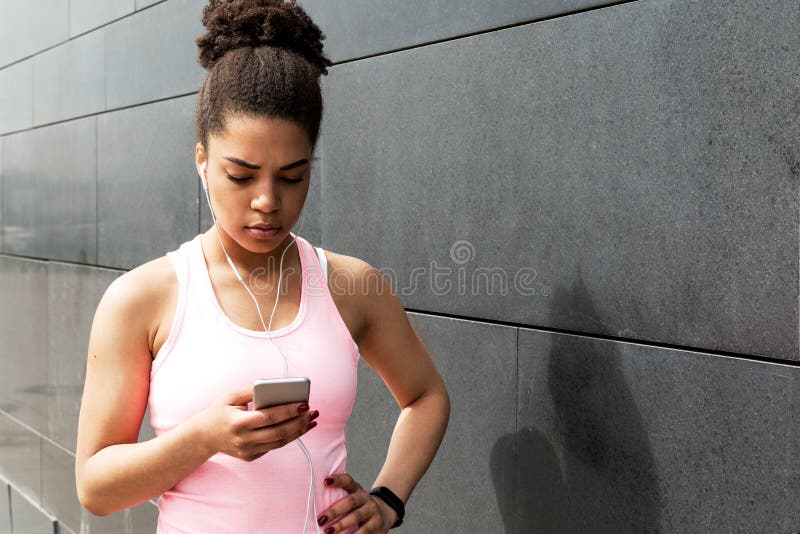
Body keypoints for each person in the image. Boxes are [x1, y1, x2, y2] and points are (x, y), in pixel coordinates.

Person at [74, 1, 450, 532]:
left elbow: (426, 396)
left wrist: (388, 499)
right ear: (202, 159)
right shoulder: (144, 298)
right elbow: (95, 488)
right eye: (241, 175)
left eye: (292, 176)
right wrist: (205, 437)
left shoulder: (351, 286)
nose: (268, 201)